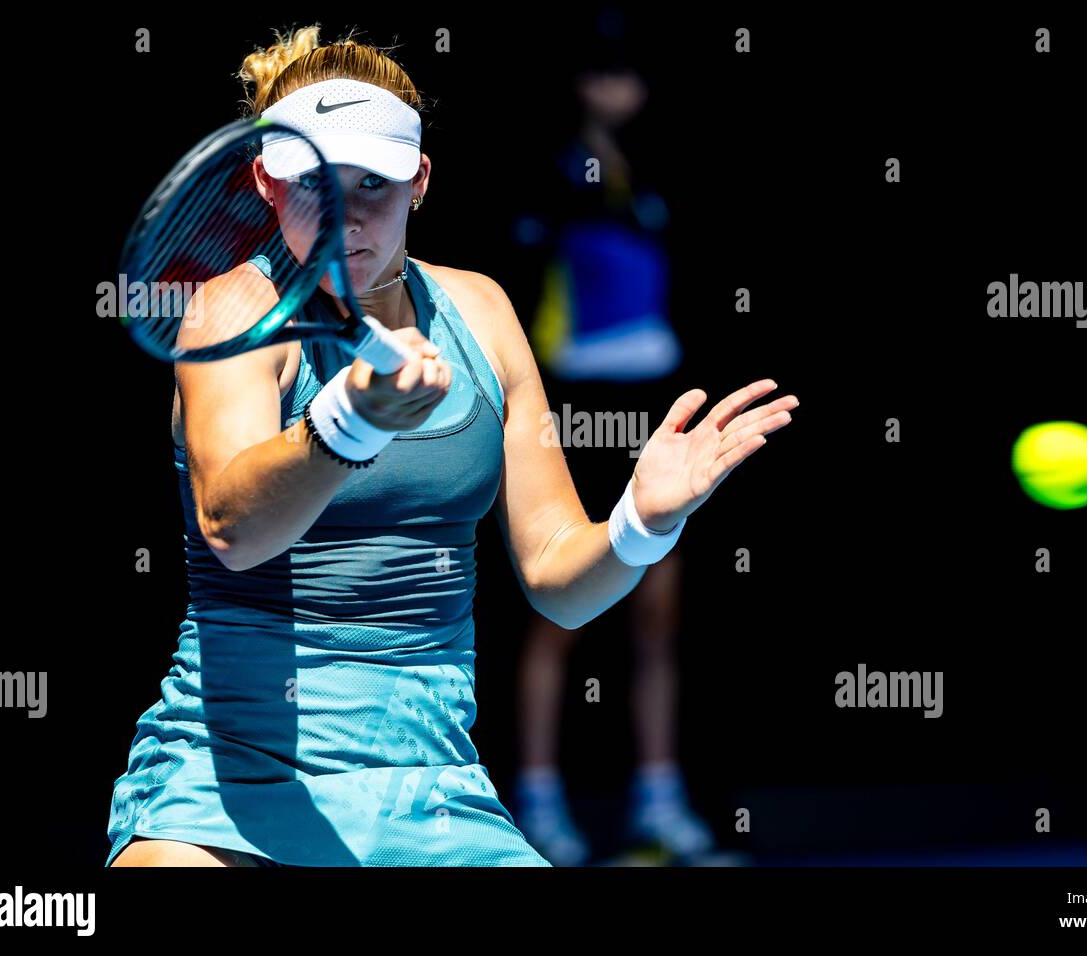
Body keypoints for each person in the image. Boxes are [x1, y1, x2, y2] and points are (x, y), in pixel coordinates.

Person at [106, 24, 797, 867]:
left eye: (373, 184)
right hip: (226, 786)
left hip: (432, 794)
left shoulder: (484, 312)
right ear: (264, 182)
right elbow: (234, 530)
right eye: (311, 185)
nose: (346, 215)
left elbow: (559, 581)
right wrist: (348, 423)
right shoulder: (230, 312)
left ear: (420, 181)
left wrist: (640, 523)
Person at [510, 40, 714, 866]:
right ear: (577, 85)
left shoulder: (660, 172)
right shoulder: (550, 176)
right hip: (577, 408)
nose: (614, 87)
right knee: (560, 611)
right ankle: (536, 807)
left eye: (627, 73)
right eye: (599, 72)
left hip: (653, 406)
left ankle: (659, 804)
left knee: (657, 615)